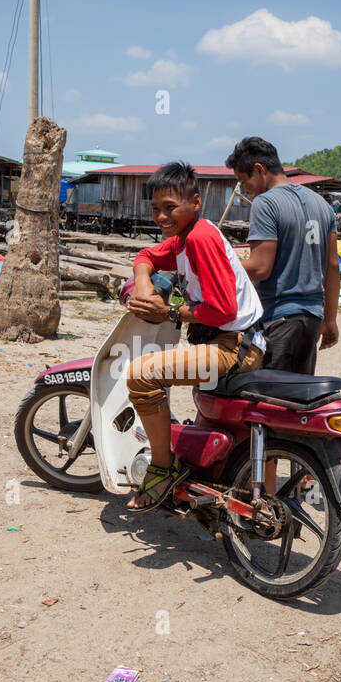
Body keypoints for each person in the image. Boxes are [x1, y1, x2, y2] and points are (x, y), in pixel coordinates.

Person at [124, 162, 265, 513]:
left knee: (141, 375)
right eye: (155, 208)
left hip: (234, 348)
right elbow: (146, 256)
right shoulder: (186, 238)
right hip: (233, 343)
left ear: (195, 202)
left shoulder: (200, 238)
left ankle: (161, 467)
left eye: (170, 207)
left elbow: (223, 310)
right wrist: (143, 285)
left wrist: (168, 313)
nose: (161, 216)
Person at [225, 136, 339, 375]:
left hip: (280, 318)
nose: (245, 189)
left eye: (243, 181)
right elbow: (332, 266)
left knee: (271, 401)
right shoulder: (322, 205)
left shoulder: (266, 203)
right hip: (312, 320)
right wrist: (330, 320)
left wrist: (217, 265)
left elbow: (259, 267)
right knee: (298, 399)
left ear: (259, 170)